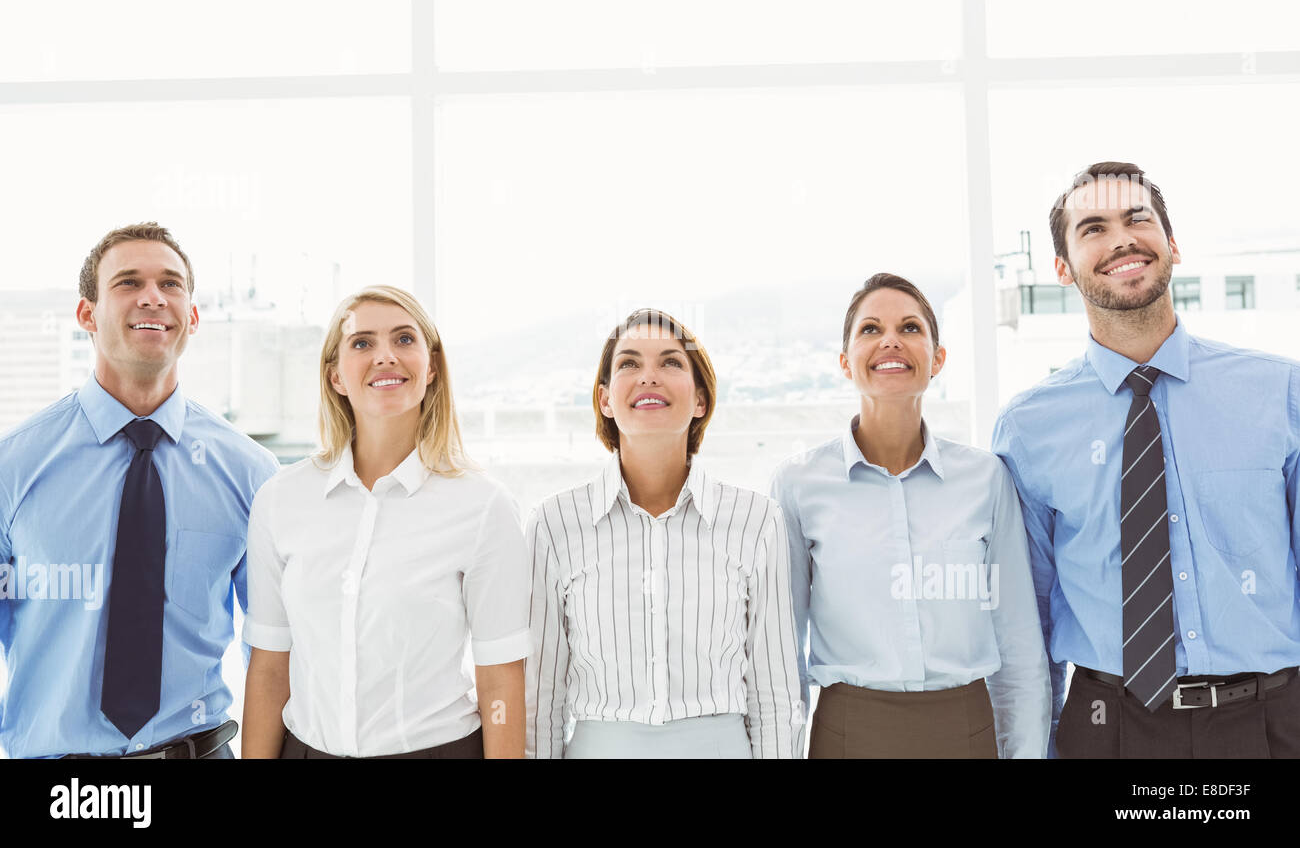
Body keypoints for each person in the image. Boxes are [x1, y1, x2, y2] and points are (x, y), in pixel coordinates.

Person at [993, 161, 1300, 759]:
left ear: (1172, 245)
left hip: (1268, 724)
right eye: (1093, 229)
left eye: (1139, 219)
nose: (1122, 239)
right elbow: (1027, 621)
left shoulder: (1280, 393)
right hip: (1109, 726)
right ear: (1062, 268)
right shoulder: (1029, 426)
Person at [0, 223, 278, 759]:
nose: (153, 296)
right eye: (128, 282)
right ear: (87, 314)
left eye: (171, 285)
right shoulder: (13, 466)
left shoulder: (250, 472)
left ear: (191, 318)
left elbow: (271, 651)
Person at [241, 285, 529, 759]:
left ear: (431, 366)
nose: (385, 356)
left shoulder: (484, 507)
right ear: (335, 376)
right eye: (361, 343)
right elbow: (271, 666)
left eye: (404, 339)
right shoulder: (280, 500)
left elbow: (500, 677)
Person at [770, 274, 1050, 759]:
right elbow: (780, 651)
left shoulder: (985, 479)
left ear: (937, 359)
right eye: (871, 329)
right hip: (846, 733)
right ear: (845, 362)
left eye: (911, 328)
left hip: (966, 731)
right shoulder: (798, 484)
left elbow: (1019, 645)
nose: (891, 341)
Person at [526, 309, 803, 758]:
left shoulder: (756, 520)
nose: (648, 376)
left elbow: (775, 691)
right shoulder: (553, 525)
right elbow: (540, 698)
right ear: (604, 400)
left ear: (700, 400)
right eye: (629, 364)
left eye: (671, 362)